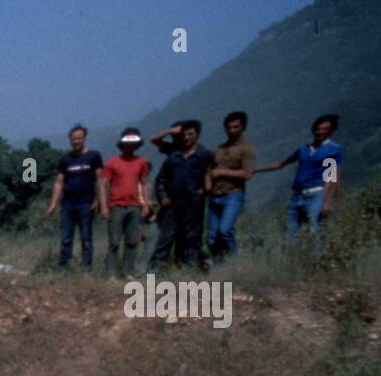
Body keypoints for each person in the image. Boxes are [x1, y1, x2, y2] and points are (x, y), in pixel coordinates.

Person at [254, 114, 343, 243]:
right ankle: (291, 261)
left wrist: (327, 202)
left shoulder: (332, 150)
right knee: (291, 234)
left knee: (314, 232)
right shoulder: (304, 149)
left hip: (316, 194)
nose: (320, 132)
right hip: (297, 196)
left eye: (324, 129)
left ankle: (317, 261)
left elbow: (331, 176)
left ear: (330, 131)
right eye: (318, 128)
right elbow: (282, 163)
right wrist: (256, 170)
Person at [147, 120, 210, 269]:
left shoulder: (205, 155)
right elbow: (161, 178)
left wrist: (205, 190)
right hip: (174, 203)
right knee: (166, 237)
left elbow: (211, 174)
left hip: (194, 203)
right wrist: (163, 196)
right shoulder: (173, 155)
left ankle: (189, 271)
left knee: (191, 237)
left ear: (197, 135)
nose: (187, 137)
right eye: (184, 134)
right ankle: (154, 271)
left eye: (191, 134)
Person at [46, 125, 104, 272]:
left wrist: (99, 201)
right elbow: (59, 182)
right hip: (68, 205)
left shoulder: (94, 156)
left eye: (79, 138)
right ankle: (65, 269)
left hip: (86, 204)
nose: (76, 141)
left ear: (84, 138)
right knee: (66, 239)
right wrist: (53, 203)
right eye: (73, 139)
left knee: (86, 239)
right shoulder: (65, 159)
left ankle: (86, 270)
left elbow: (100, 180)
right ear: (69, 140)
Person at [98, 128, 152, 277]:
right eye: (127, 142)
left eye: (133, 142)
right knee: (114, 242)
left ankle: (128, 272)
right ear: (122, 143)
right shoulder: (112, 163)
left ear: (138, 144)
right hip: (116, 206)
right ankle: (111, 273)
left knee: (132, 241)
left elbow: (145, 183)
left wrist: (146, 205)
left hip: (135, 206)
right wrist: (103, 207)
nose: (130, 146)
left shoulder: (142, 162)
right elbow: (103, 184)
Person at [205, 111, 256, 264]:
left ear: (243, 127)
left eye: (236, 127)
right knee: (212, 237)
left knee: (225, 230)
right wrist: (208, 185)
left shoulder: (247, 149)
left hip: (233, 194)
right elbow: (209, 170)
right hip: (214, 195)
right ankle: (219, 269)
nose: (232, 130)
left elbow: (247, 174)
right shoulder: (219, 149)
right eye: (229, 127)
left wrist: (222, 172)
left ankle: (236, 264)